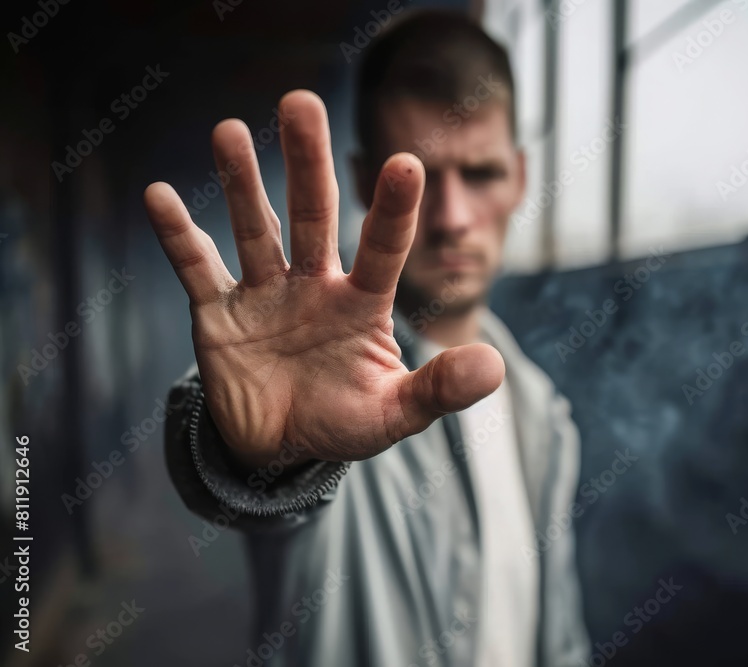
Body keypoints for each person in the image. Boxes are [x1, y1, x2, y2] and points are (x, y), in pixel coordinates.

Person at [144, 10, 590, 667]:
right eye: (420, 178)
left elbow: (560, 639)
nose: (452, 218)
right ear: (360, 181)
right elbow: (246, 468)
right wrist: (273, 456)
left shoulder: (543, 417)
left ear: (520, 177)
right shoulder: (322, 381)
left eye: (482, 174)